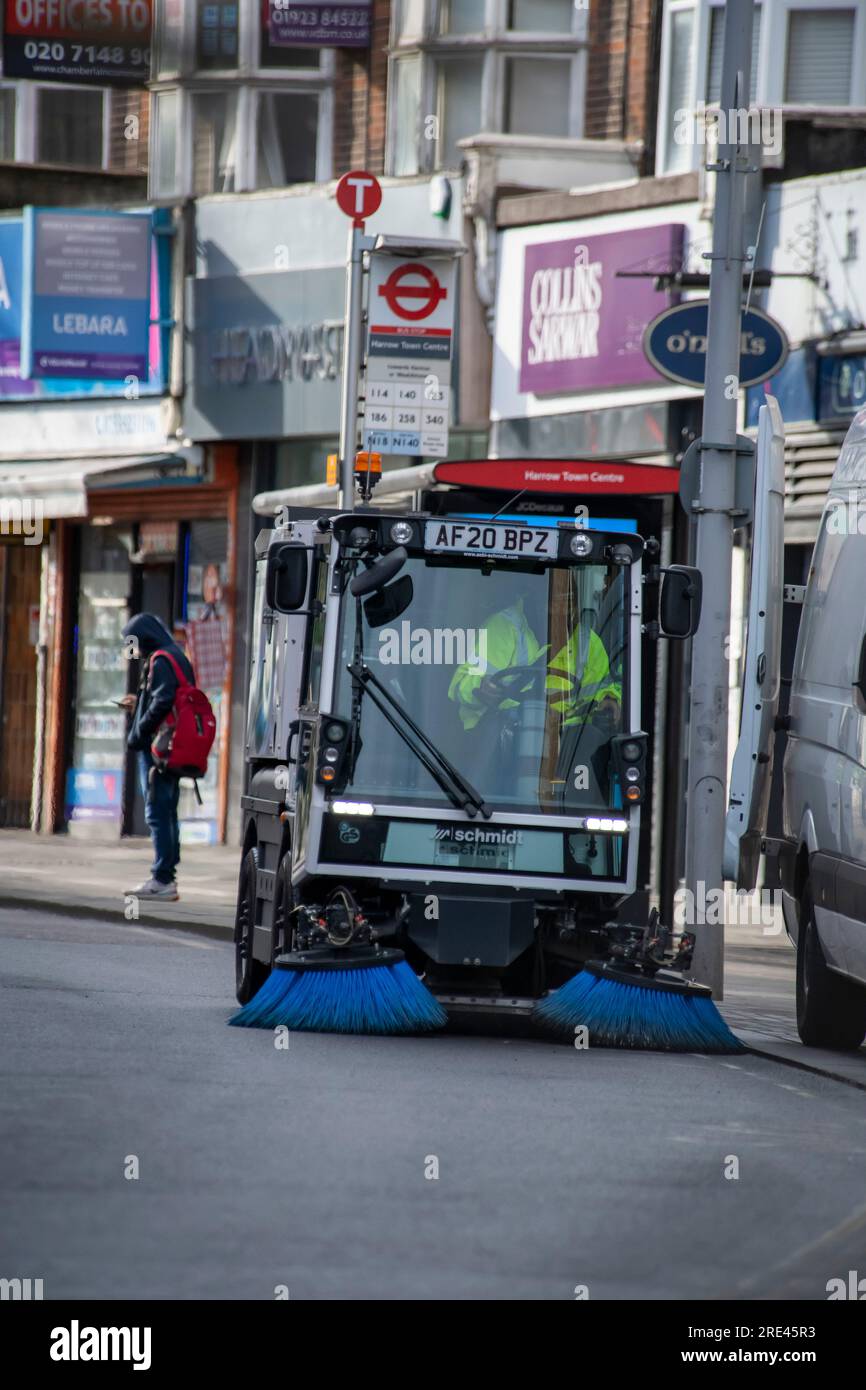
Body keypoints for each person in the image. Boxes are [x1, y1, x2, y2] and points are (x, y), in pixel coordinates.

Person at [448, 592, 621, 732]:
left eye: (568, 601)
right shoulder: (503, 626)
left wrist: (610, 700)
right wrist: (481, 687)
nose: (561, 608)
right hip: (506, 732)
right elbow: (462, 685)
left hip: (566, 742)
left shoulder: (587, 643)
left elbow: (602, 686)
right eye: (555, 600)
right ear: (534, 596)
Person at [119, 613, 195, 901]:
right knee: (166, 809)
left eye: (134, 643)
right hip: (173, 747)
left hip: (159, 749)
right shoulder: (175, 655)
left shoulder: (161, 660)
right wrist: (139, 703)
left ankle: (162, 879)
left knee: (157, 812)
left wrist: (139, 731)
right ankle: (166, 876)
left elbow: (163, 701)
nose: (134, 650)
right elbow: (167, 698)